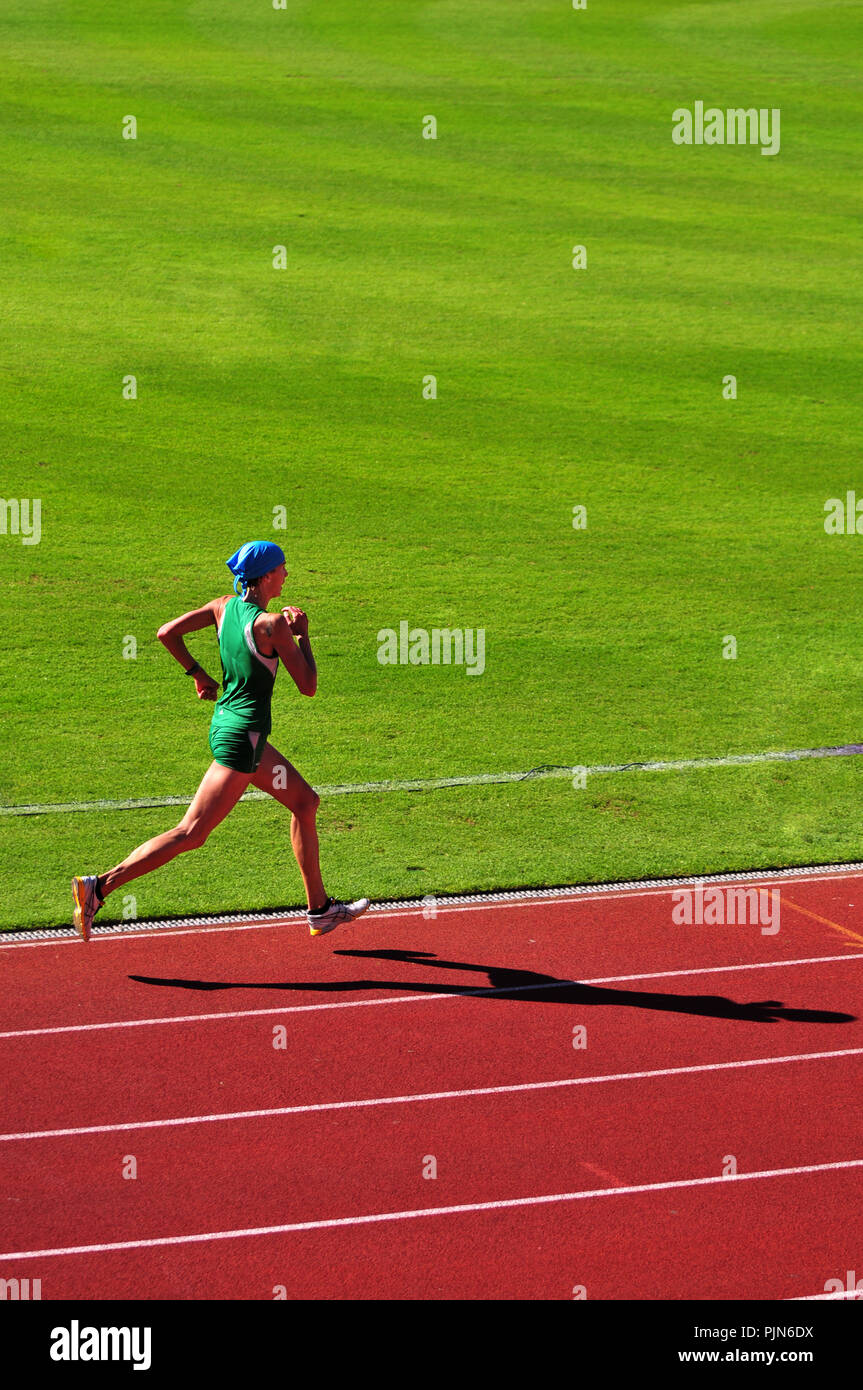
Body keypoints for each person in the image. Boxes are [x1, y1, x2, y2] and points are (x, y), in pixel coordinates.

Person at [71, 541, 370, 941]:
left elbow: (167, 633)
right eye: (282, 568)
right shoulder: (272, 626)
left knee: (305, 802)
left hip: (234, 731)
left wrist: (197, 673)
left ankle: (319, 909)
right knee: (192, 832)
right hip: (243, 742)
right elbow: (309, 686)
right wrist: (303, 636)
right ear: (265, 576)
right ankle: (99, 887)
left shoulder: (223, 607)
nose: (286, 574)